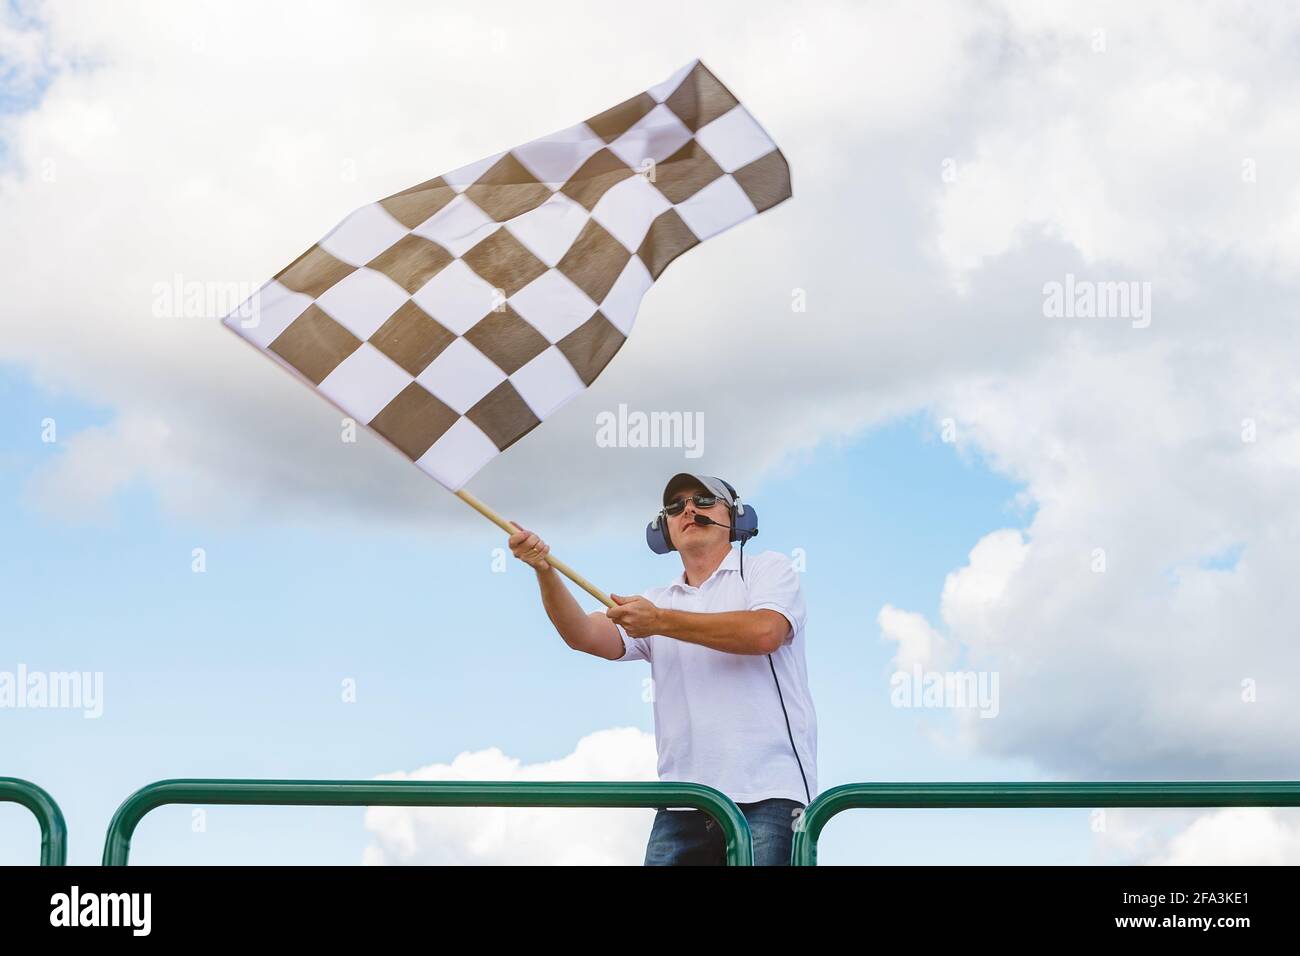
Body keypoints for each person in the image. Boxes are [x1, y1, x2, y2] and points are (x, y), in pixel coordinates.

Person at [508, 472, 818, 865]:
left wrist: (659, 622)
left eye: (704, 500)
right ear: (665, 529)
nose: (689, 509)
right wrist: (544, 570)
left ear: (734, 517)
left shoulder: (768, 569)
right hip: (681, 802)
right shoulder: (656, 602)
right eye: (675, 506)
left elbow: (765, 633)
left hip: (770, 795)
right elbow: (583, 634)